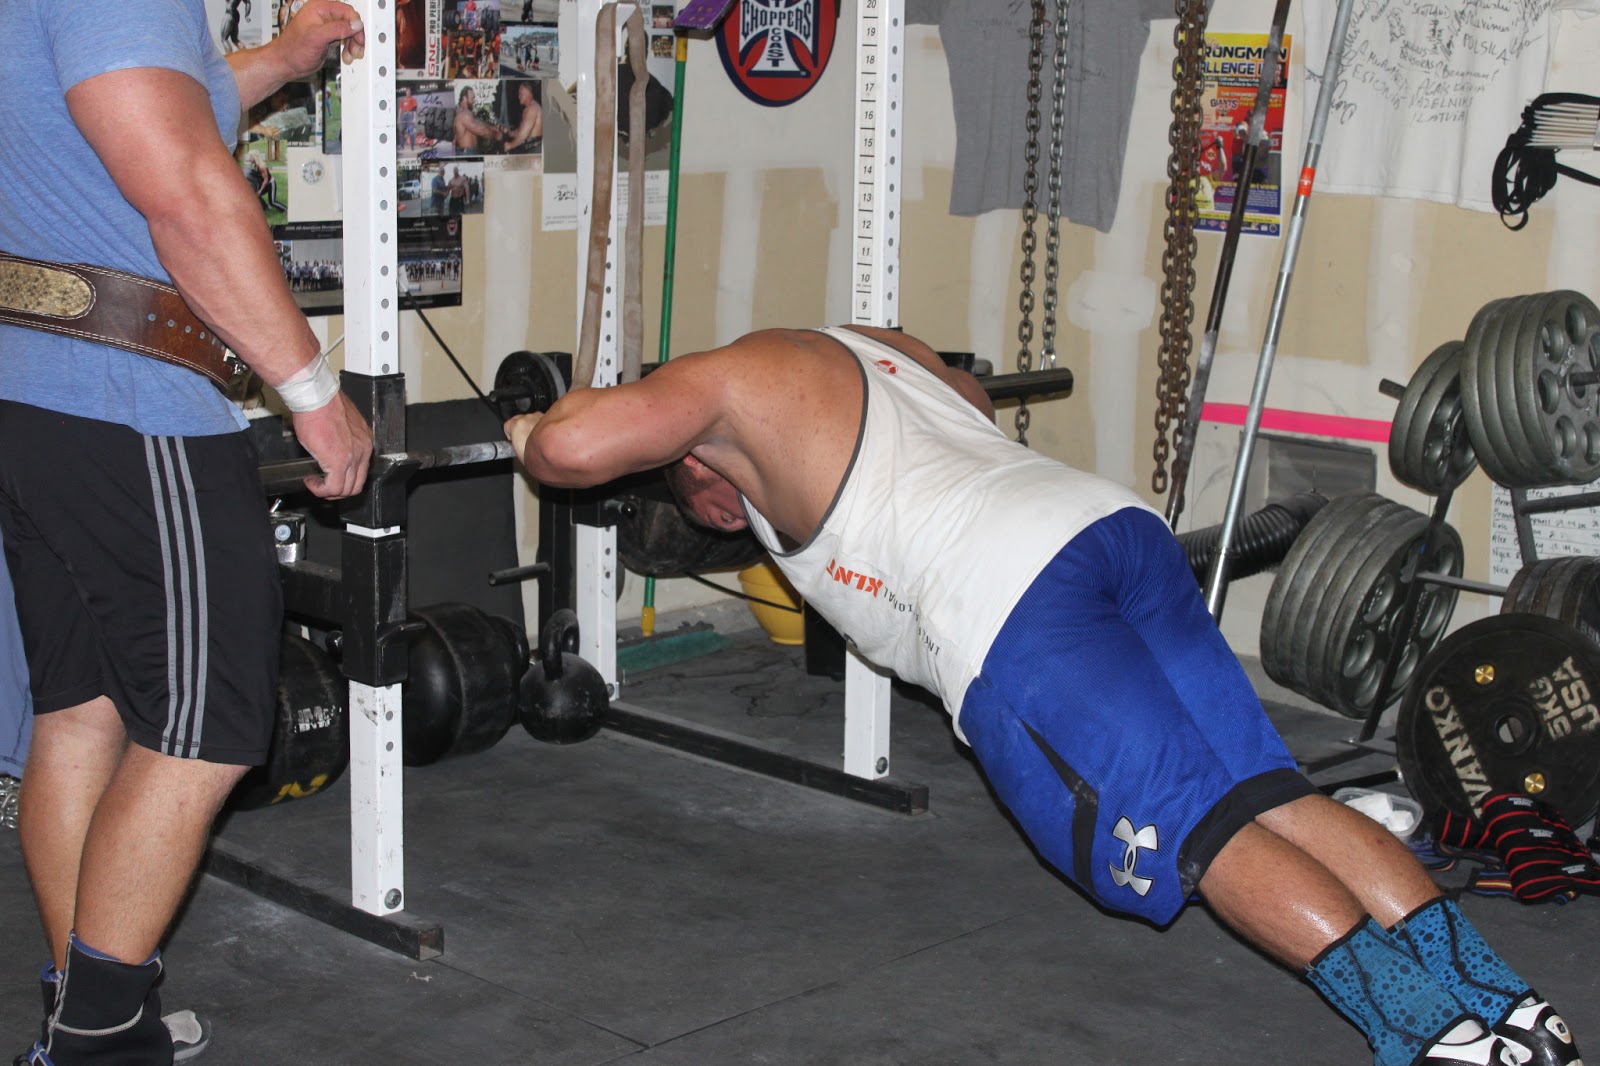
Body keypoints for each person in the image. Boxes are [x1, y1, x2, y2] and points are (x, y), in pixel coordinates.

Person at [504, 325, 1583, 1066]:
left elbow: (569, 446)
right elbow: (967, 404)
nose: (708, 516)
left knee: (1196, 836)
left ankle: (1433, 1037)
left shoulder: (723, 384)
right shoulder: (865, 343)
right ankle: (1506, 1013)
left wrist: (533, 430)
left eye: (682, 483)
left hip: (1011, 601)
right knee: (1274, 795)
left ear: (680, 436)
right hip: (1107, 533)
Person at [0, 0, 374, 1062]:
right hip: (132, 397)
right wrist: (309, 386)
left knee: (82, 713)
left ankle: (82, 1009)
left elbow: (129, 97)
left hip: (36, 391)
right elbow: (182, 184)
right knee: (211, 725)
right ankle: (101, 1043)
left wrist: (284, 61)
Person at [452, 84, 505, 153]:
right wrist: (496, 135)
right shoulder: (463, 114)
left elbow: (481, 124)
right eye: (472, 98)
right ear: (464, 98)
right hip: (467, 153)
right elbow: (482, 130)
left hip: (470, 152)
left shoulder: (467, 113)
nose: (474, 101)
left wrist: (494, 127)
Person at [504, 81, 543, 153]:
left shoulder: (532, 108)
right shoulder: (528, 109)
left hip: (535, 149)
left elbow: (523, 135)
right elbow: (519, 132)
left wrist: (510, 145)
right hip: (532, 148)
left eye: (520, 94)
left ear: (527, 94)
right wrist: (509, 132)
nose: (518, 97)